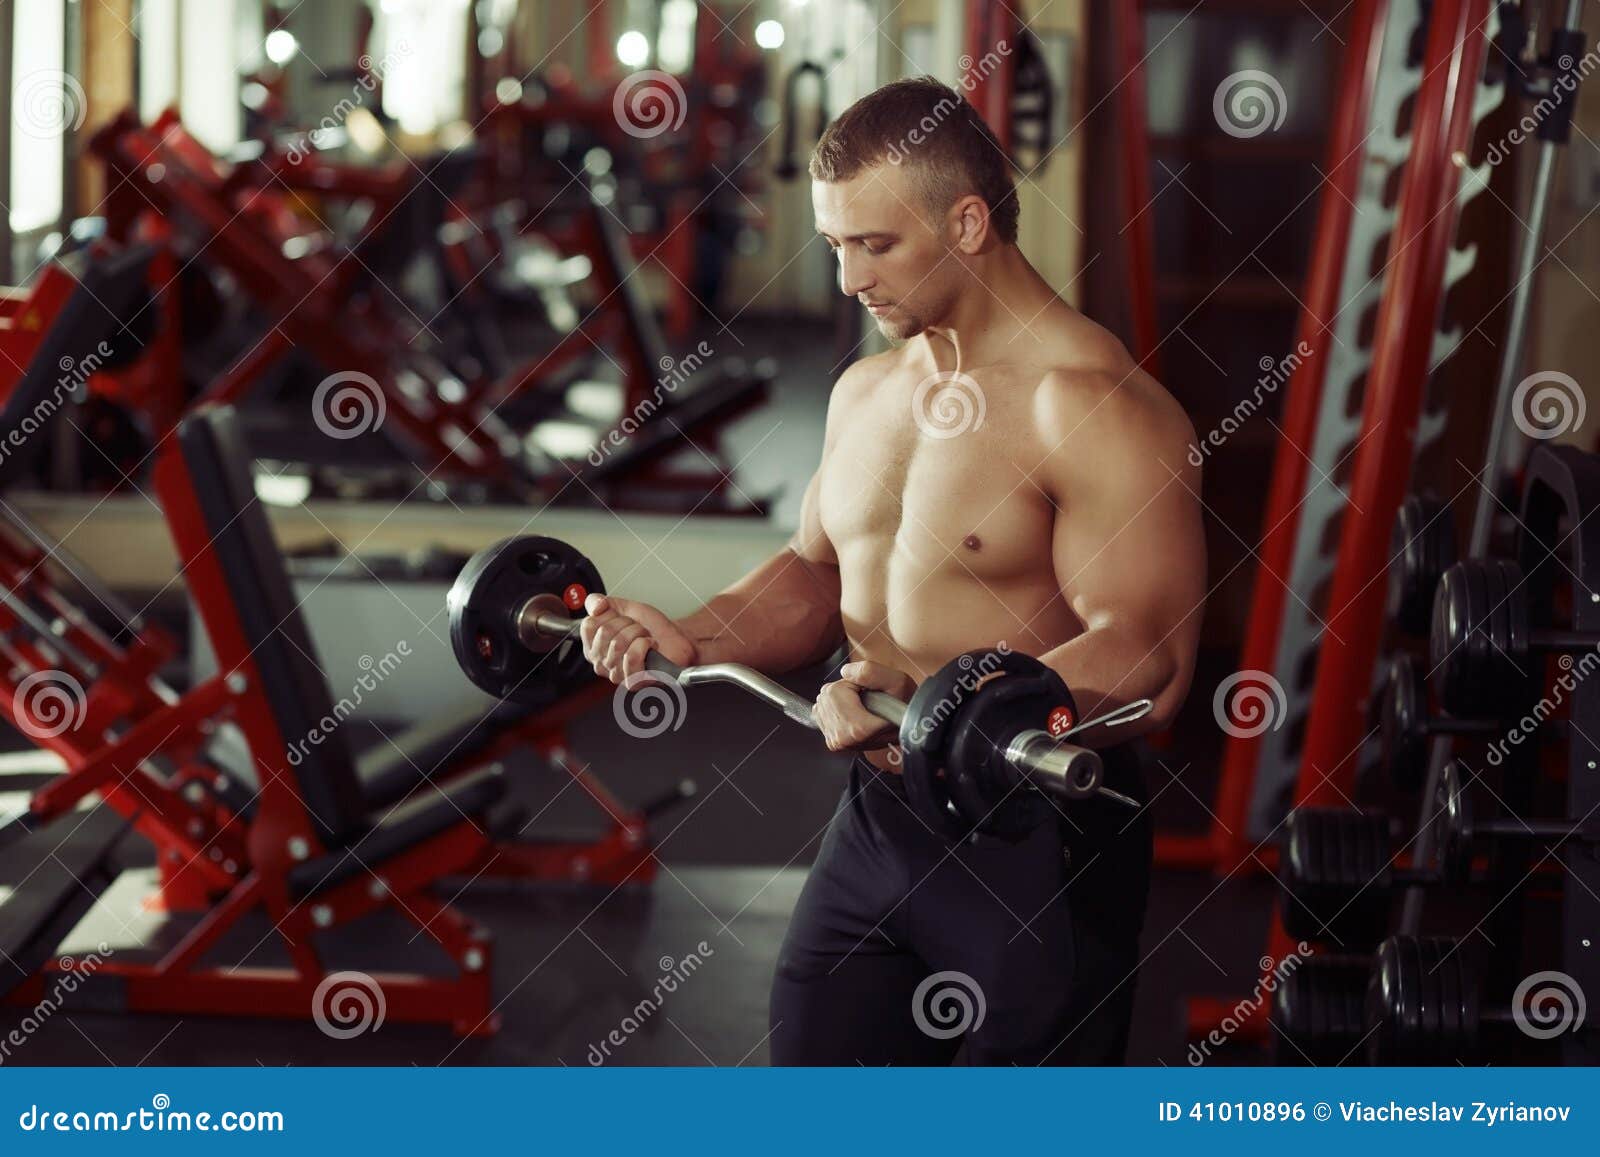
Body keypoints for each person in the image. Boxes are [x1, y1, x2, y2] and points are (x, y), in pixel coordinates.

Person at [579, 77, 1205, 1065]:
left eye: (875, 245)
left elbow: (1149, 655)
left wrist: (941, 717)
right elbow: (814, 572)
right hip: (875, 823)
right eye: (835, 245)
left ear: (966, 222)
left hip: (1036, 841)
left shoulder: (1091, 404)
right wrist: (693, 632)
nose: (846, 281)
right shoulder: (866, 389)